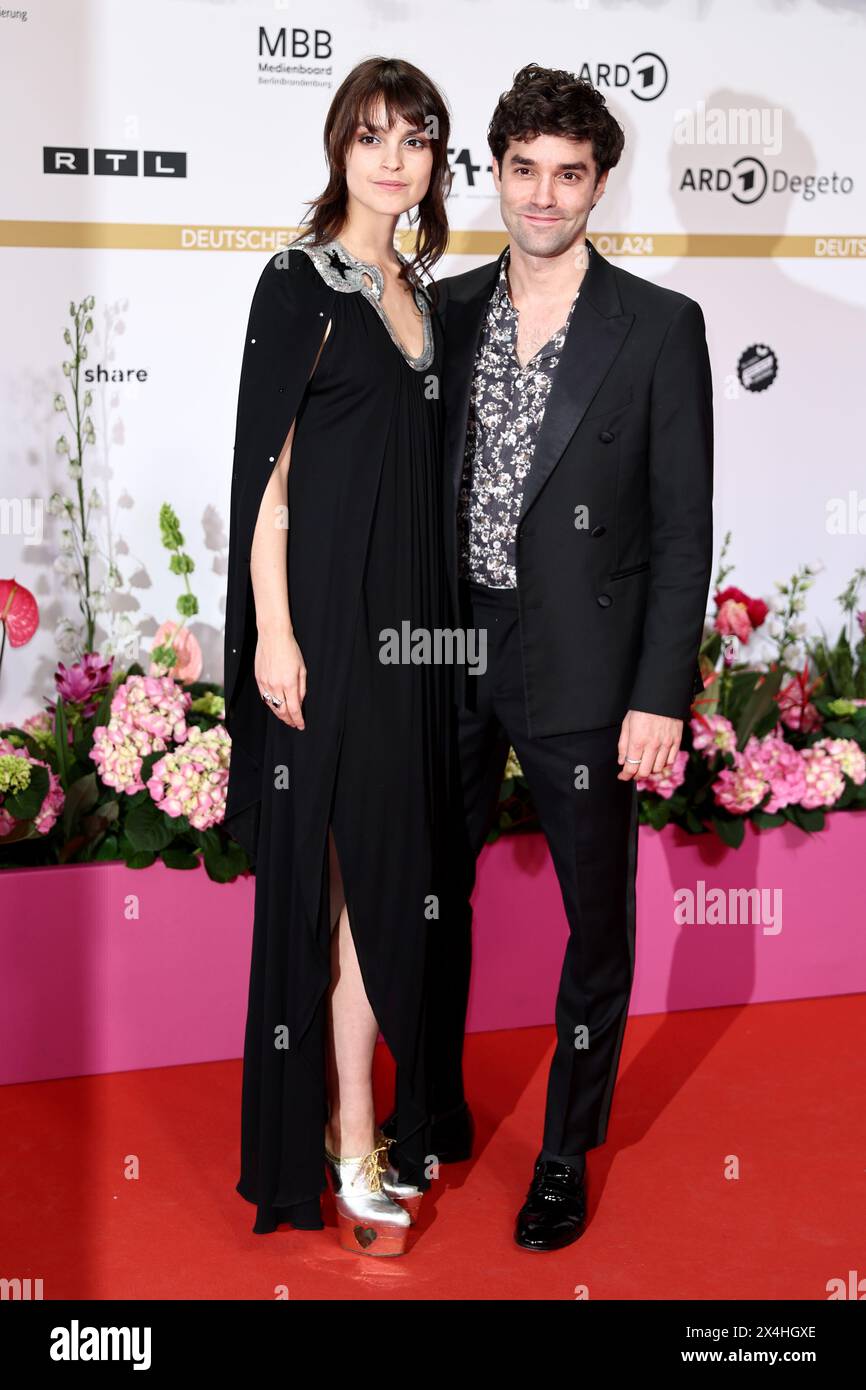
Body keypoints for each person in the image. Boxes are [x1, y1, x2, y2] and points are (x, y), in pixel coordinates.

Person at [385, 63, 714, 1251]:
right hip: (448, 640)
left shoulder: (658, 328)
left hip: (582, 664)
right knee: (425, 889)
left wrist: (655, 694)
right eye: (522, 169)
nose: (541, 194)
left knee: (595, 923)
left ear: (598, 183)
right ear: (496, 171)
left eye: (566, 173)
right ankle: (427, 1108)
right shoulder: (445, 307)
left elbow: (682, 532)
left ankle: (566, 1150)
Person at [222, 56, 455, 1256]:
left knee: (384, 879)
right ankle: (344, 1138)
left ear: (433, 159)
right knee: (333, 885)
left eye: (412, 138)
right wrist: (274, 625)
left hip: (414, 633)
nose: (389, 157)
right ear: (336, 145)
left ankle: (357, 1126)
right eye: (369, 134)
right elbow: (267, 473)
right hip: (325, 621)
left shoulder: (419, 291)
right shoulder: (294, 278)